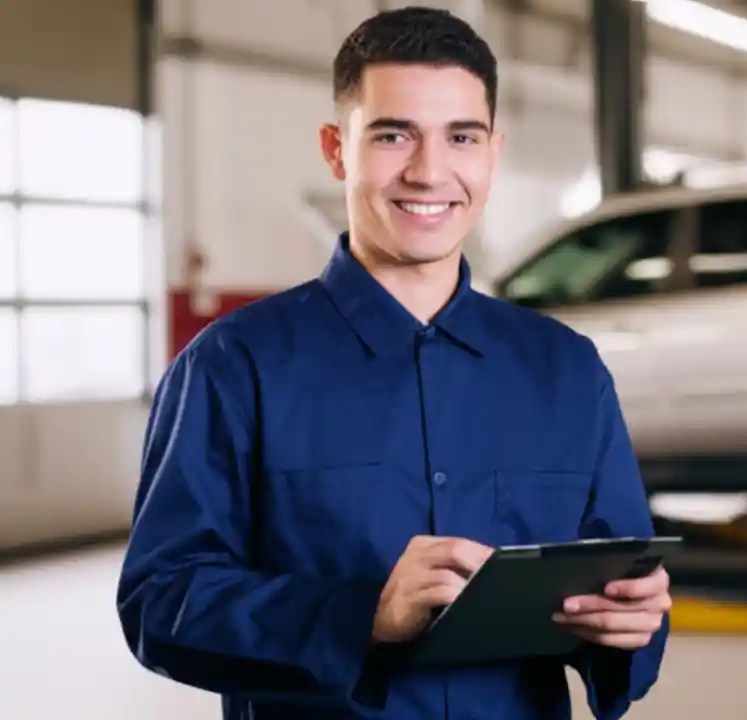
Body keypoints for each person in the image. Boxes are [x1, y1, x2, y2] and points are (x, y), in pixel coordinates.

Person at [116, 7, 670, 719]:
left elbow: (620, 585)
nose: (429, 170)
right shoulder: (233, 367)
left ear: (493, 153)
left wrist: (631, 627)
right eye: (392, 134)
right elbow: (161, 601)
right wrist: (361, 616)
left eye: (461, 137)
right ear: (336, 149)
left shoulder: (567, 371)